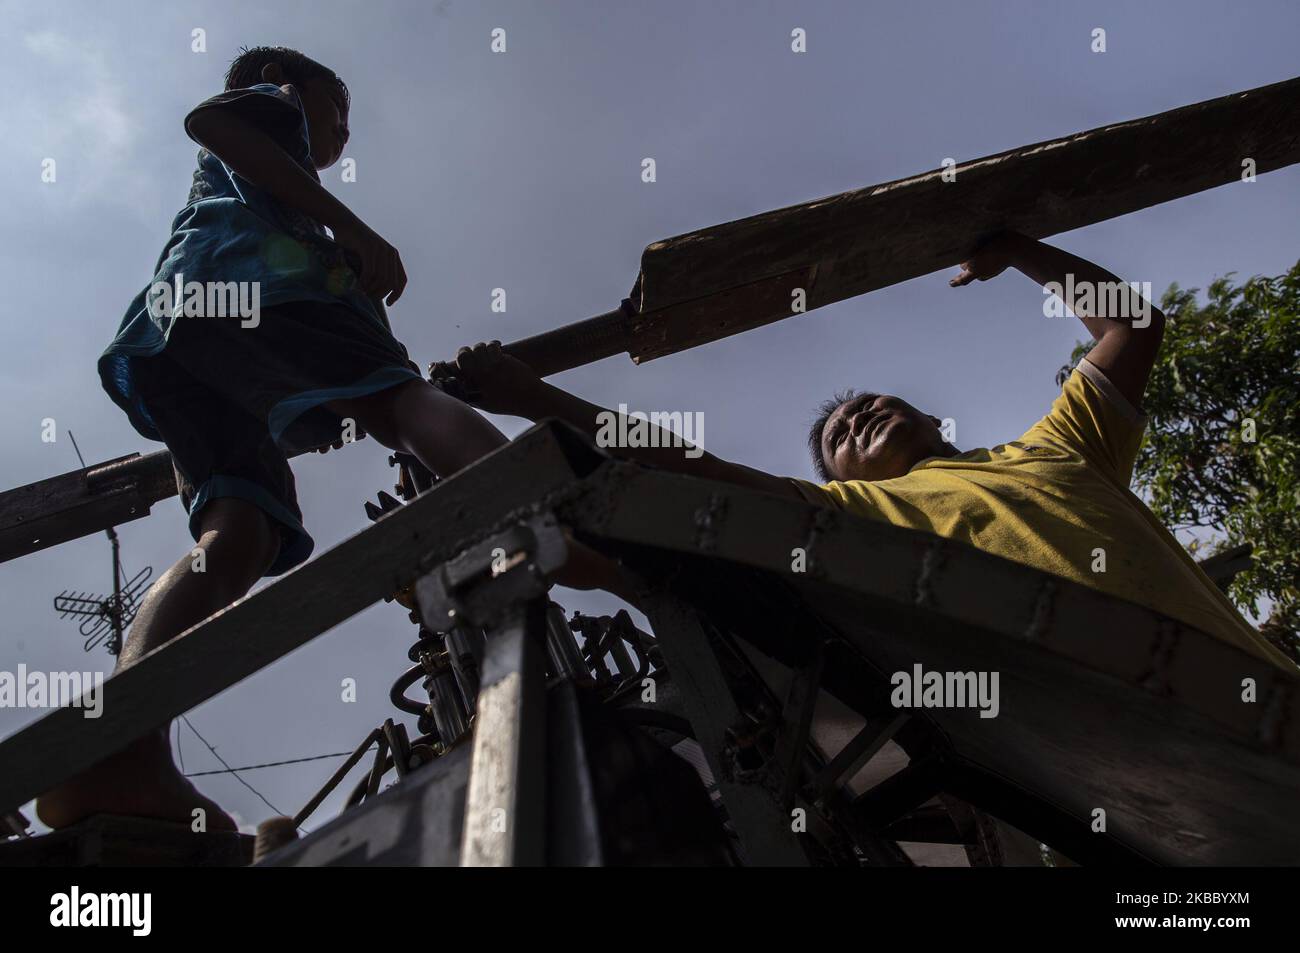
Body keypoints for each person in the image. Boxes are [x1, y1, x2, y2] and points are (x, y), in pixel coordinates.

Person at [455, 232, 1296, 673]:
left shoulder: (1060, 448)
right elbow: (675, 462)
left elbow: (1133, 326)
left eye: (870, 406)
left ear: (931, 417)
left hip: (1258, 693)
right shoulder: (847, 516)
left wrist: (1018, 252)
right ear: (839, 478)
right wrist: (532, 399)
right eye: (839, 435)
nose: (859, 416)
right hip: (1114, 751)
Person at [38, 47, 508, 830]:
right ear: (301, 90)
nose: (344, 134)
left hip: (184, 334)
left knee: (241, 530)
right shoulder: (276, 101)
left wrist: (311, 406)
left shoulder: (255, 191)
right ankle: (539, 496)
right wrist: (354, 228)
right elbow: (214, 123)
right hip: (258, 286)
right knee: (403, 399)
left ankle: (119, 750)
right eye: (340, 113)